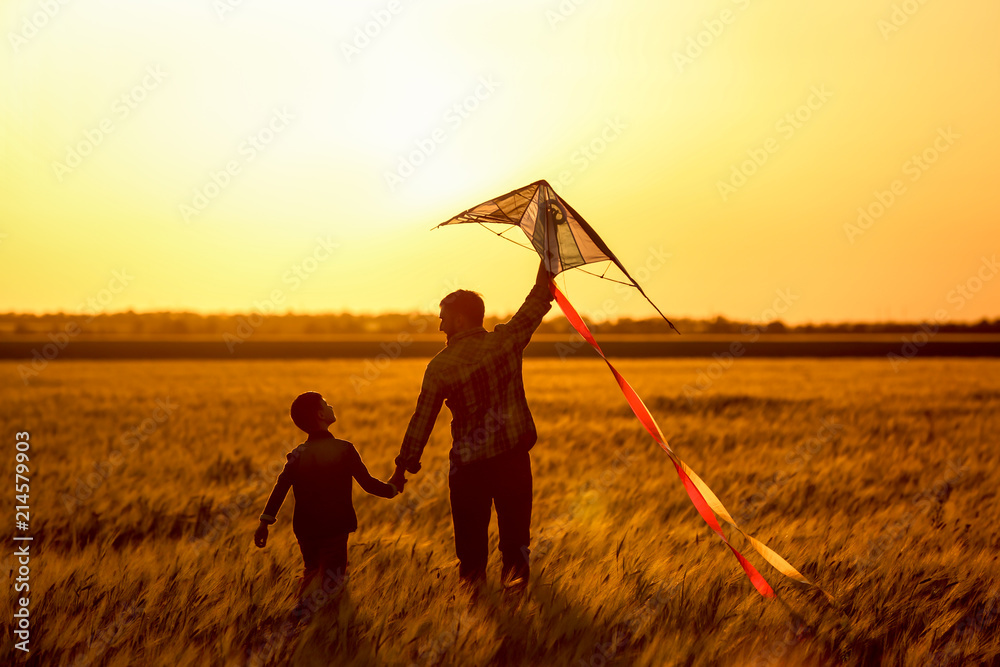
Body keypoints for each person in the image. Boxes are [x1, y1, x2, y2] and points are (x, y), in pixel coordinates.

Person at [389, 260, 553, 590]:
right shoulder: (505, 342)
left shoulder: (440, 365)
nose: (440, 327)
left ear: (460, 319)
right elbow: (536, 303)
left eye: (443, 319)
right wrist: (547, 261)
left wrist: (403, 467)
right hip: (513, 460)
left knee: (470, 547)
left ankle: (475, 606)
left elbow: (423, 419)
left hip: (468, 468)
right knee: (516, 541)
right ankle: (516, 604)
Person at [254, 391, 401, 615]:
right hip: (335, 527)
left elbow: (280, 489)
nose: (331, 406)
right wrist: (392, 488)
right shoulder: (344, 449)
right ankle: (316, 622)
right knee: (333, 581)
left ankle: (301, 619)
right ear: (320, 414)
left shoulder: (297, 455)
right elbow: (369, 484)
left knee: (312, 572)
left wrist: (265, 522)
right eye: (326, 404)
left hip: (306, 530)